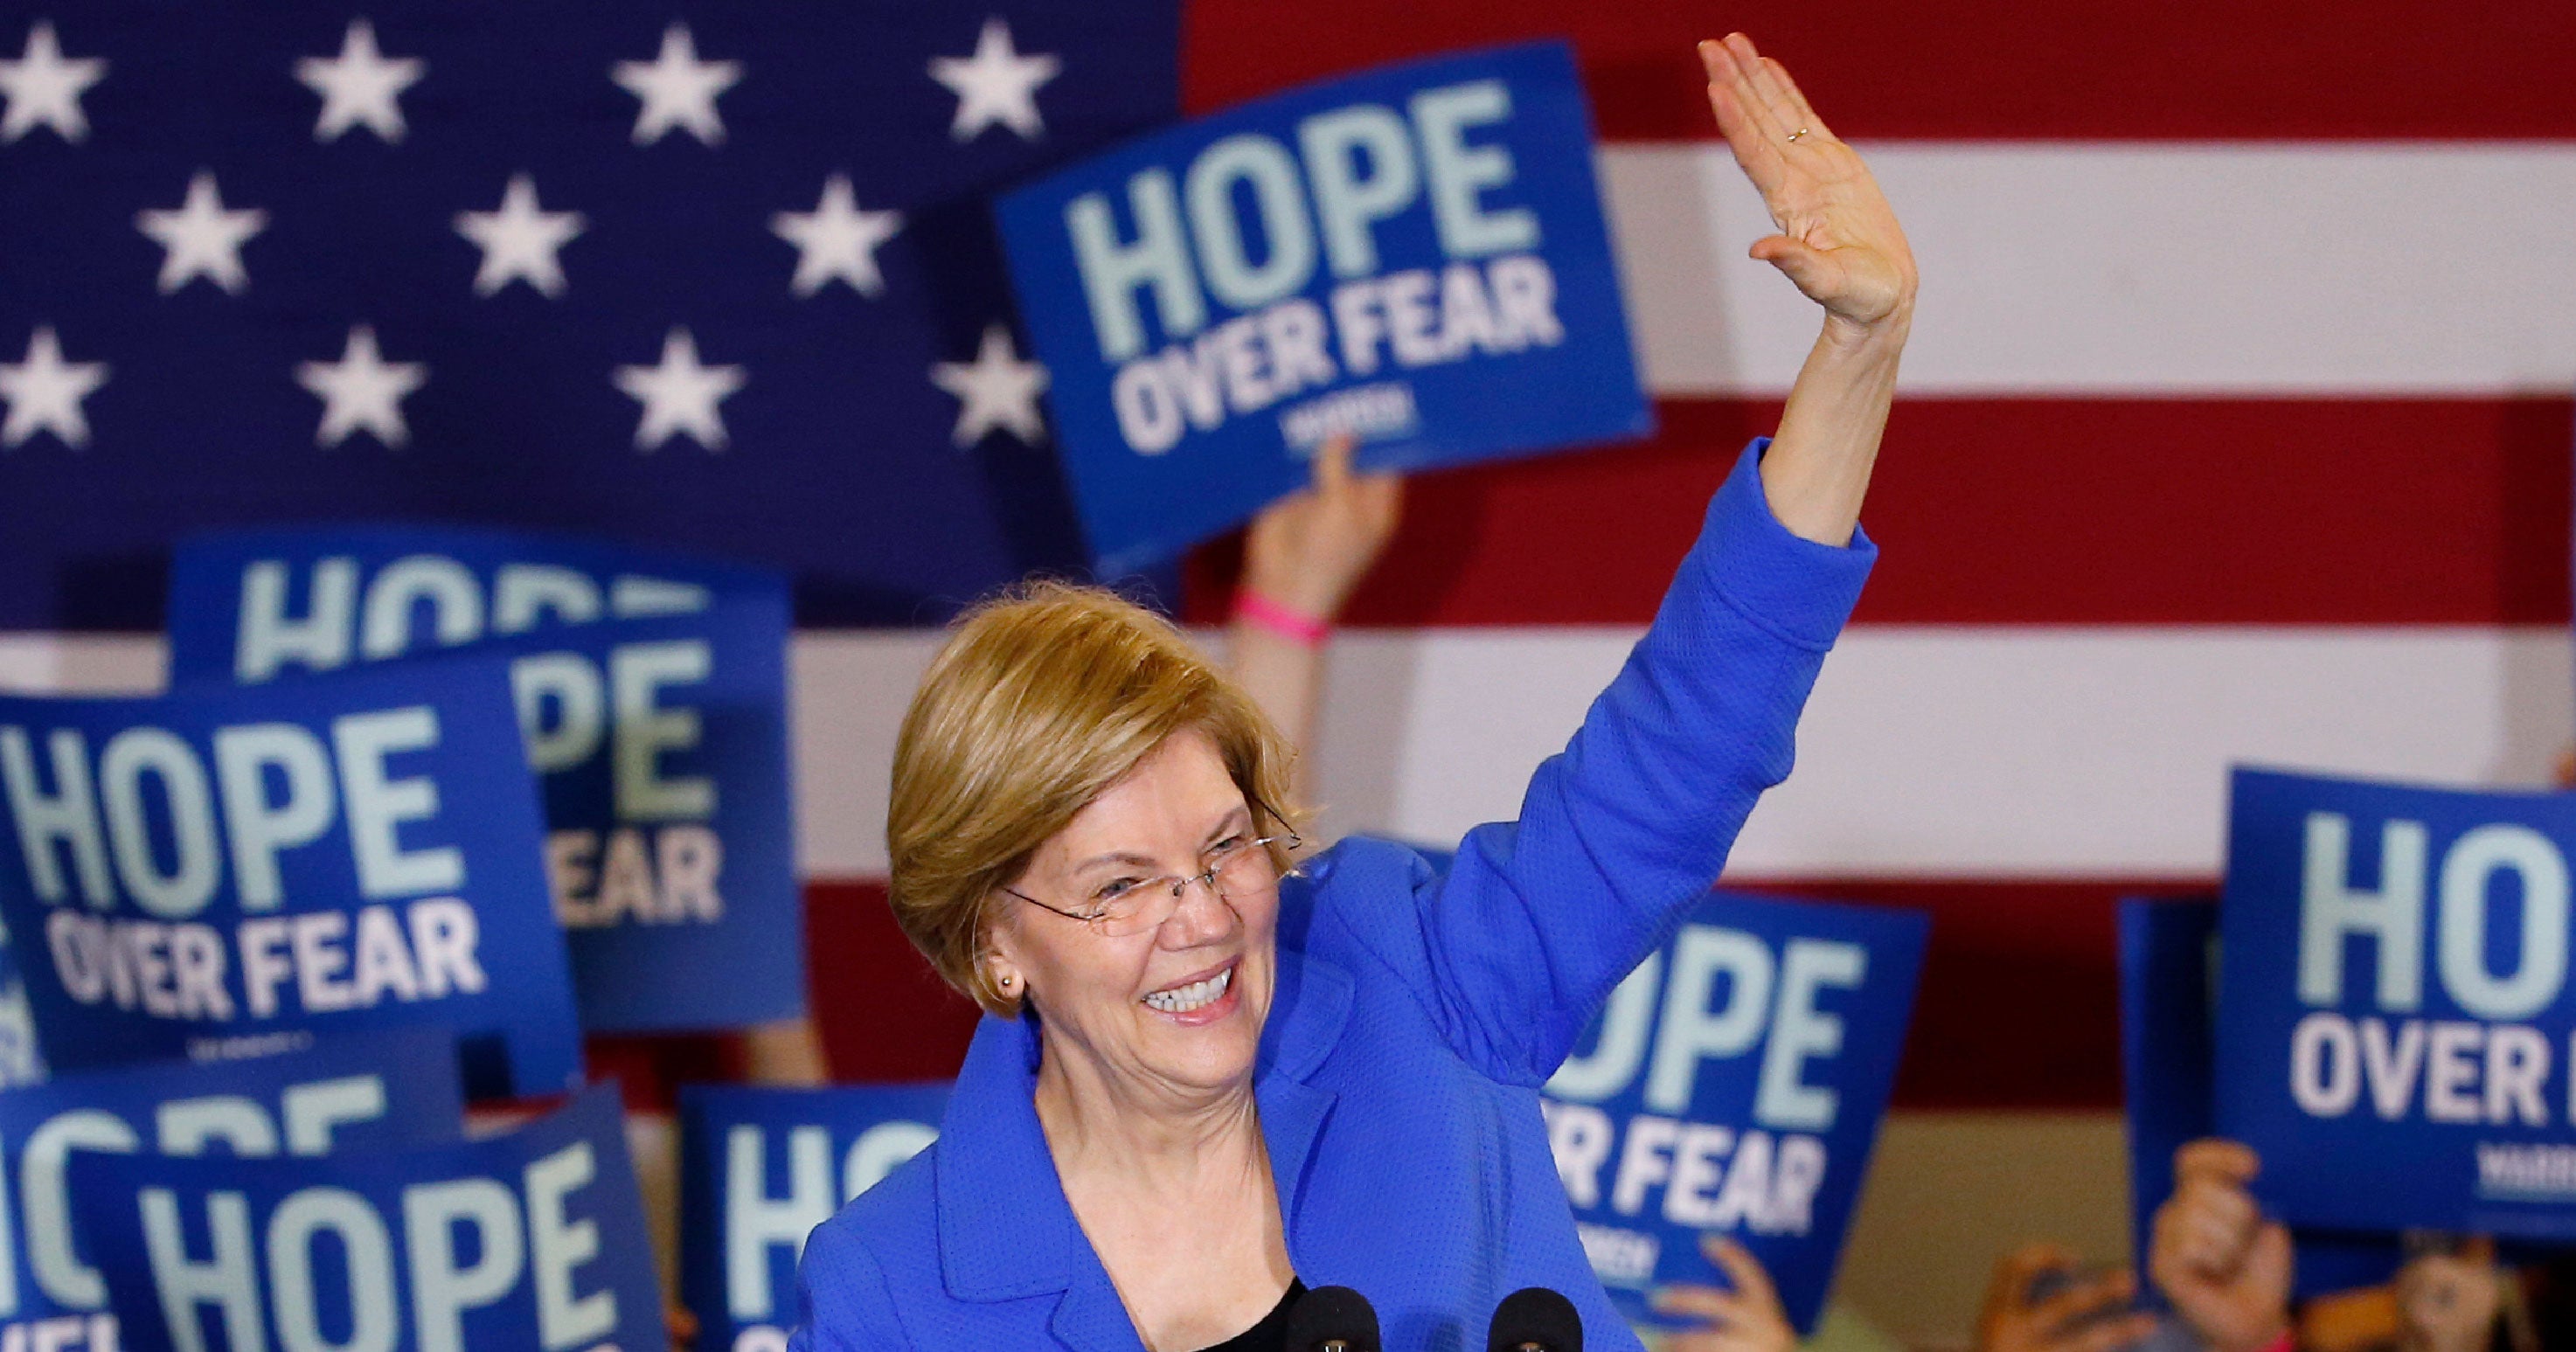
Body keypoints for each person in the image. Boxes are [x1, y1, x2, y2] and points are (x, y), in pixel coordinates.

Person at [791, 31, 1915, 1352]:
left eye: (1223, 848)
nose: (1201, 920)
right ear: (993, 939)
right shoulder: (892, 1291)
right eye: (1118, 886)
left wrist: (1862, 344)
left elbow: (1679, 756)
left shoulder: (1407, 977)